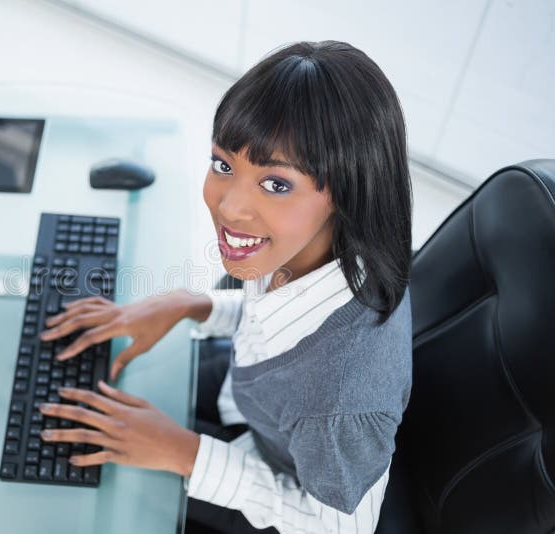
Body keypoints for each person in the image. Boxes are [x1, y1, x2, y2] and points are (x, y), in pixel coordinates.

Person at [35, 40, 413, 534]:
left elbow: (340, 528)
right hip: (257, 403)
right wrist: (195, 304)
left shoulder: (340, 406)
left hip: (276, 485)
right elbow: (288, 321)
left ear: (347, 193)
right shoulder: (329, 248)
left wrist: (185, 454)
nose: (230, 206)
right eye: (224, 165)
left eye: (276, 184)